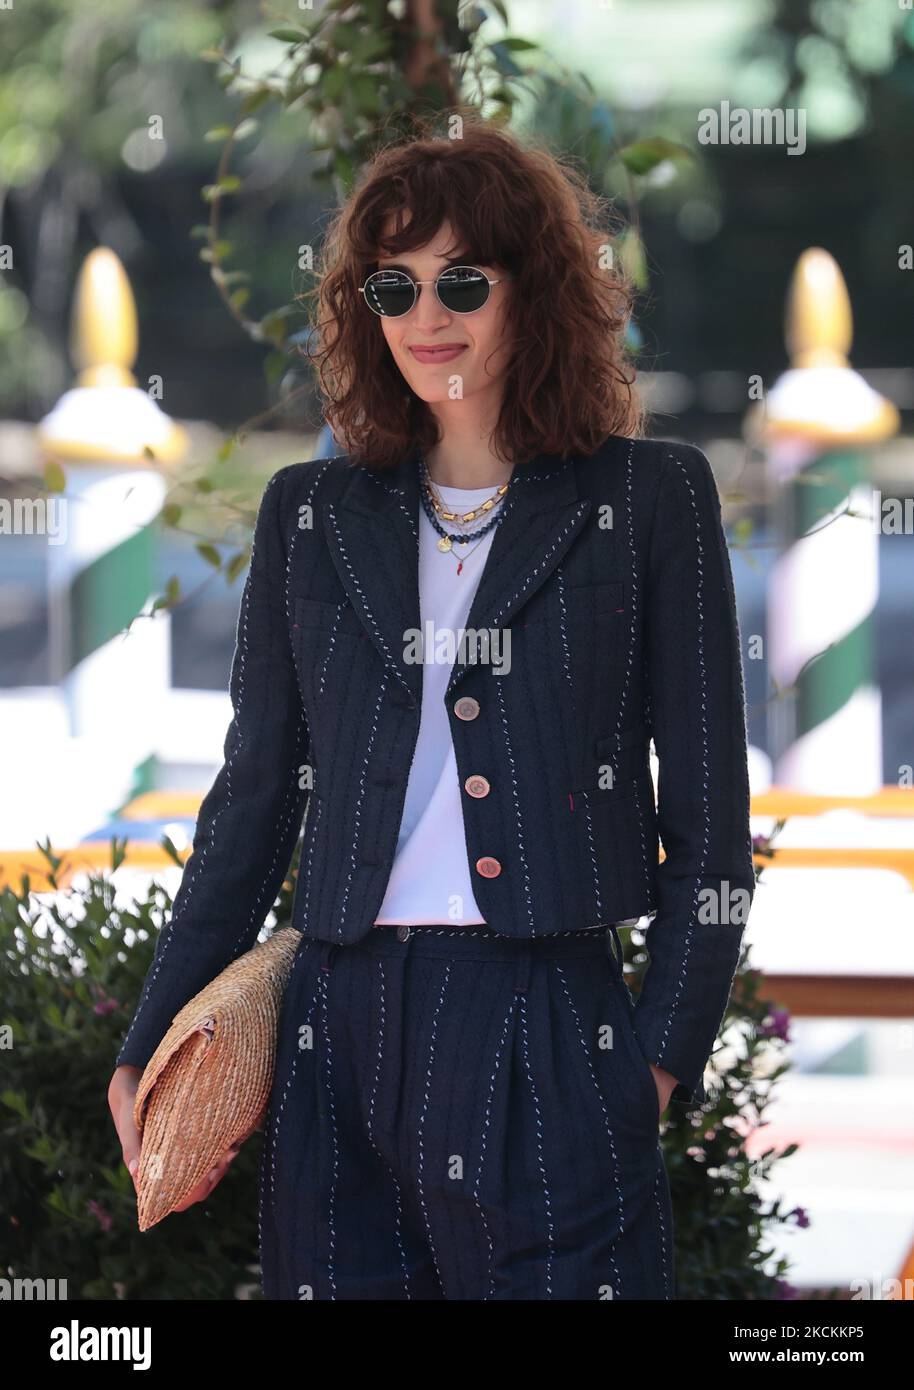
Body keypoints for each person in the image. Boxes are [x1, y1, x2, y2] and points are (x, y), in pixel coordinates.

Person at [109, 116, 755, 1300]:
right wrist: (150, 1034)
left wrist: (657, 1056)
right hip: (338, 1020)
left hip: (549, 1009)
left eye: (462, 278)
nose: (425, 313)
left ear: (535, 289)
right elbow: (252, 799)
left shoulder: (648, 497)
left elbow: (709, 817)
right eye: (390, 285)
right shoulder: (309, 516)